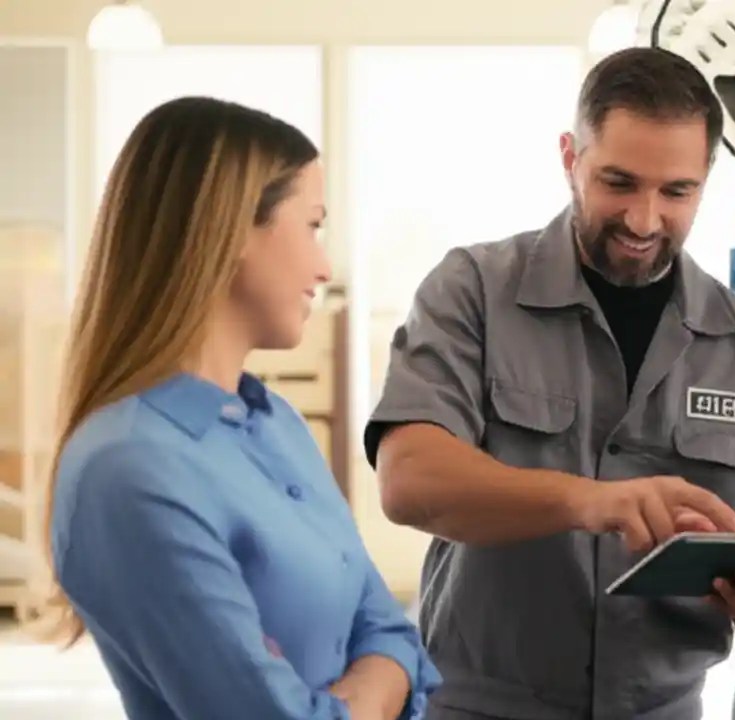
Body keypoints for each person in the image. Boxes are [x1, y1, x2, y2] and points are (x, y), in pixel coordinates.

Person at [365, 47, 735, 720]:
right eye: (618, 182)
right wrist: (592, 501)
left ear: (705, 179)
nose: (644, 221)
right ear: (570, 158)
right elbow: (409, 479)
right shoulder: (473, 292)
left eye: (676, 191)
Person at [43, 96, 440, 720]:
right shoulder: (128, 469)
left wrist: (359, 690)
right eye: (312, 226)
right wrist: (378, 689)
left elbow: (392, 630)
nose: (324, 265)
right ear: (230, 231)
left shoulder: (274, 422)